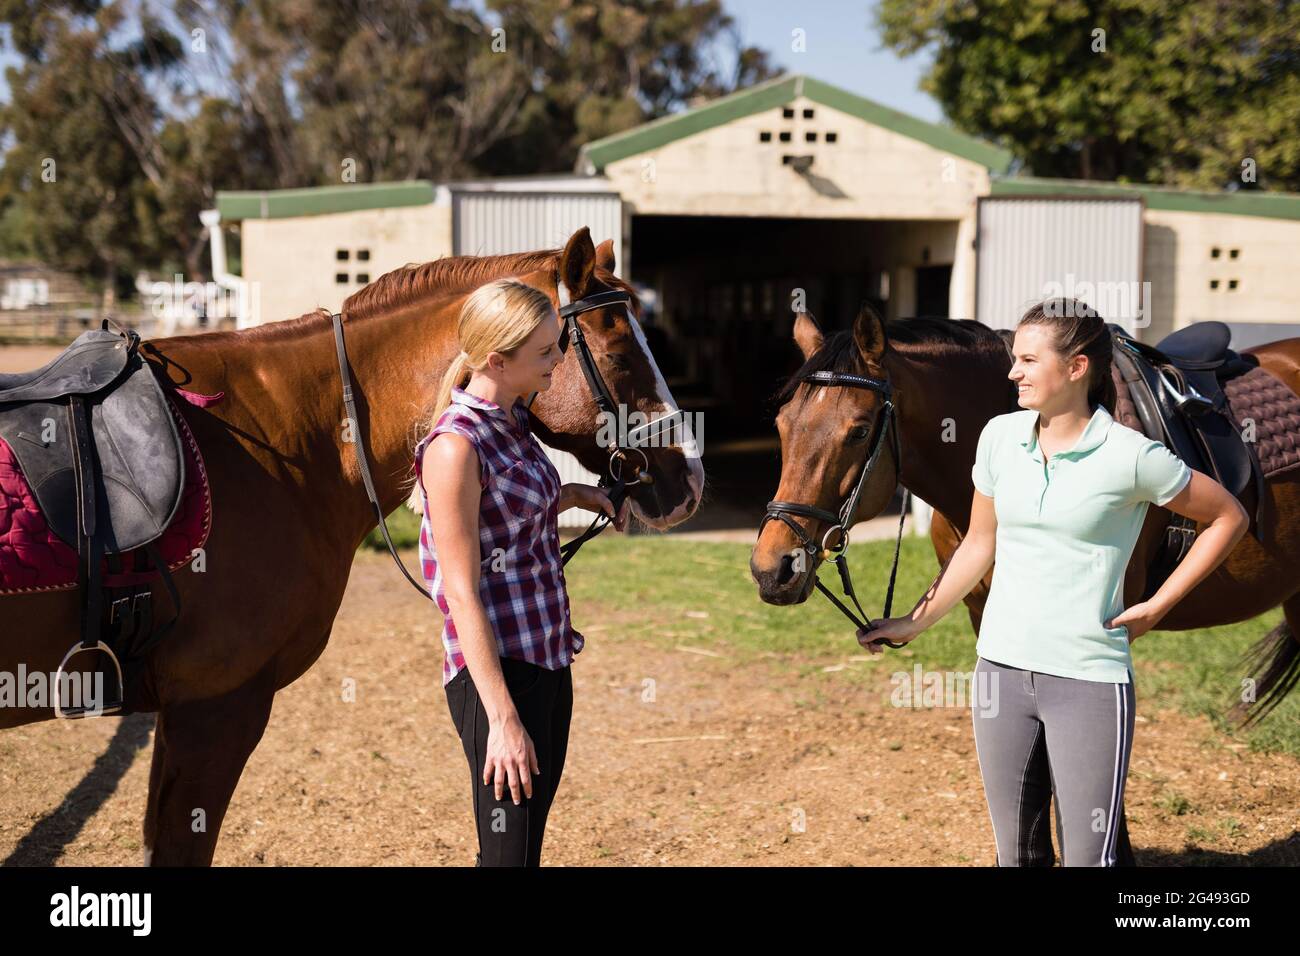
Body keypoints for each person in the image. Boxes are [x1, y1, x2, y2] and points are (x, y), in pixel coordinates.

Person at [860, 299, 1249, 866]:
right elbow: (979, 542)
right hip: (1001, 674)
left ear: (1075, 368)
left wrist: (1159, 604)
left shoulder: (1131, 456)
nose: (1012, 371)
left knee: (1092, 859)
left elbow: (1227, 517)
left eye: (1027, 359)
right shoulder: (998, 437)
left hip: (1089, 681)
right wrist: (914, 622)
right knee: (1015, 855)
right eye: (1014, 359)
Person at [410, 278, 629, 866]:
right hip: (497, 677)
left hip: (548, 659)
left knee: (523, 853)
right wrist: (503, 720)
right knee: (506, 857)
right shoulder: (454, 449)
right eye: (545, 352)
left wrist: (579, 494)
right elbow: (461, 592)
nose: (559, 361)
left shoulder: (511, 420)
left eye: (556, 345)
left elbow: (507, 512)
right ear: (497, 360)